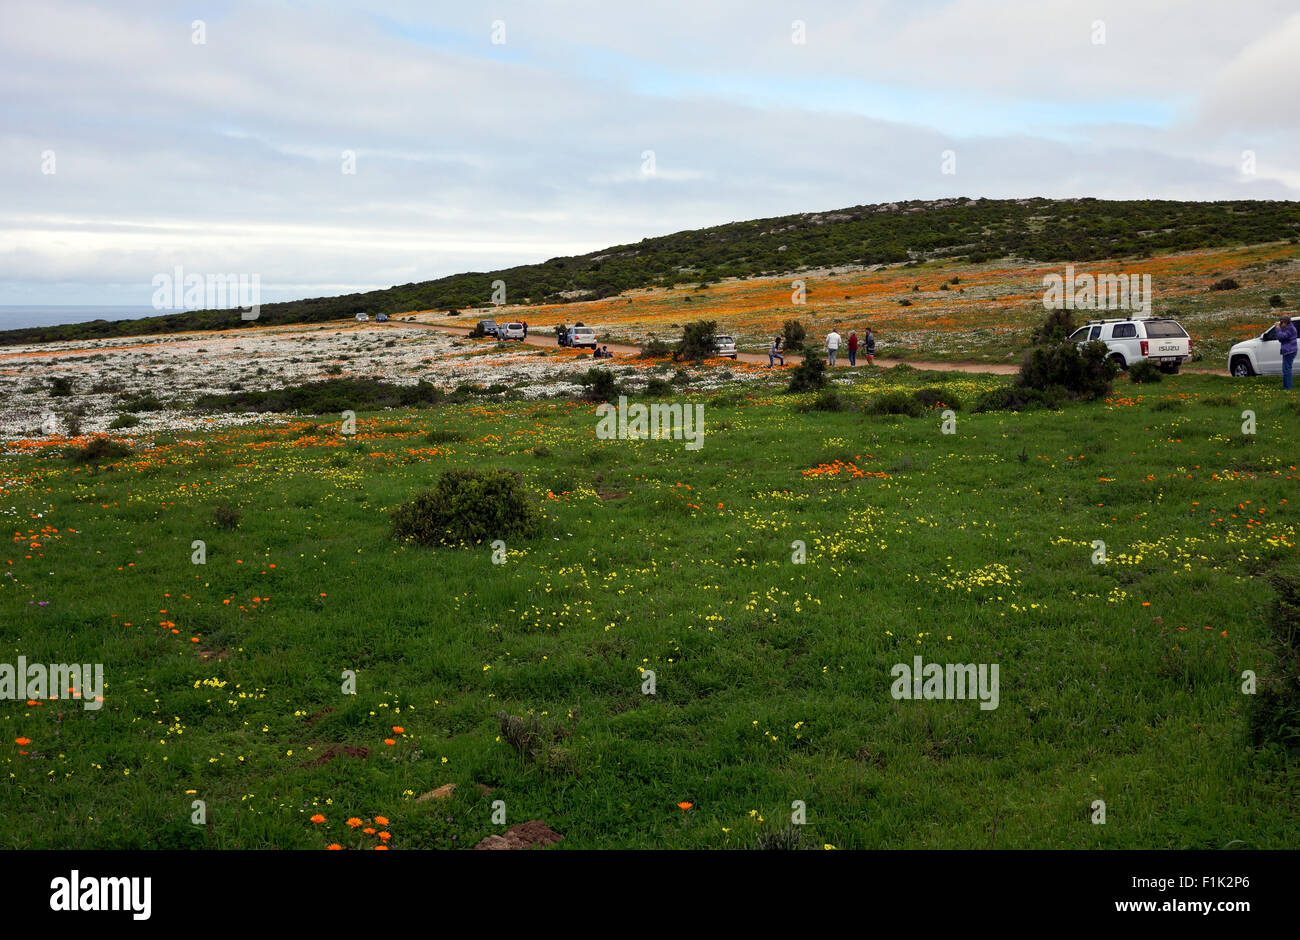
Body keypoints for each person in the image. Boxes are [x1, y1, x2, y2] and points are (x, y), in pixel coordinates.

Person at [1279, 315, 1297, 390]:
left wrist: (1277, 329)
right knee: (1286, 369)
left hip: (1290, 351)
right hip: (1288, 351)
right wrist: (1280, 328)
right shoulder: (1288, 328)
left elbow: (1281, 337)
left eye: (1281, 322)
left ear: (1286, 322)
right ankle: (1286, 387)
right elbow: (1281, 339)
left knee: (1287, 369)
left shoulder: (1290, 329)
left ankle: (1288, 387)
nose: (1280, 323)